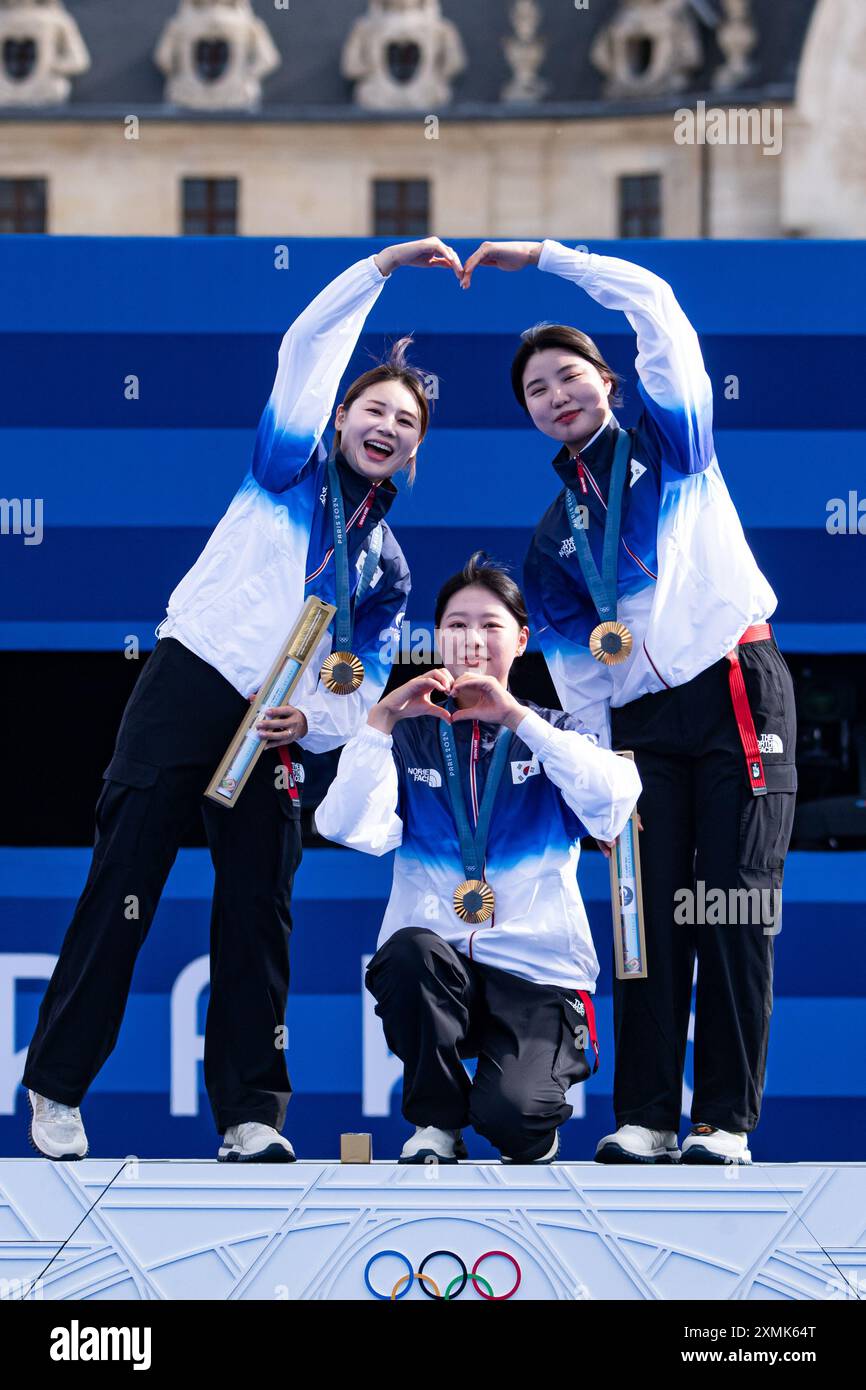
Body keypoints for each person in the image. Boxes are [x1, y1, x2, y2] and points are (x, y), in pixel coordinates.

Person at [23, 236, 464, 1163]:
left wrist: (318, 722)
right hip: (190, 683)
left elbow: (364, 678)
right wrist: (378, 270)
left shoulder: (386, 567)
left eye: (407, 424)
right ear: (340, 417)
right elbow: (305, 345)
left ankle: (251, 1114)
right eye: (374, 410)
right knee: (124, 885)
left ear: (418, 453)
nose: (387, 427)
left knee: (259, 909)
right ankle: (57, 1089)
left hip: (274, 731)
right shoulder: (285, 466)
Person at [459, 239, 797, 1165]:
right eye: (537, 391)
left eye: (569, 376)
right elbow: (579, 685)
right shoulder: (548, 542)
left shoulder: (672, 439)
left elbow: (657, 304)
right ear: (528, 416)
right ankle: (646, 1116)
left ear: (607, 378)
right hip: (640, 728)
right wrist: (603, 784)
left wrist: (547, 258)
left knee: (729, 904)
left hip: (732, 686)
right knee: (643, 914)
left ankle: (723, 1121)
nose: (557, 396)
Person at [315, 554, 641, 1163]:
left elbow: (617, 800)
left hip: (537, 973)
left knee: (515, 1121)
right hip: (444, 971)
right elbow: (346, 827)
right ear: (436, 637)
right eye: (456, 625)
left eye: (490, 626)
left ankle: (518, 1100)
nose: (471, 640)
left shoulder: (552, 731)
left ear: (520, 639)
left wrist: (517, 717)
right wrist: (380, 720)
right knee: (408, 954)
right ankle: (437, 1123)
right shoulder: (406, 735)